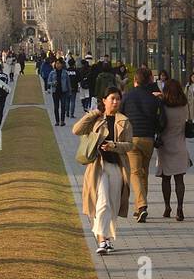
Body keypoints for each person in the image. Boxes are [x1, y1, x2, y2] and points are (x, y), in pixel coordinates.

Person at [72, 85, 132, 255]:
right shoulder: (97, 119)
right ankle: (101, 239)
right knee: (102, 202)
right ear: (104, 100)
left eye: (118, 98)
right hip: (98, 167)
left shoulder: (124, 121)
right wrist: (93, 113)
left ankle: (106, 237)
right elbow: (76, 130)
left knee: (113, 204)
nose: (115, 101)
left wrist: (114, 146)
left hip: (117, 167)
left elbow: (129, 145)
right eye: (112, 98)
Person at [119, 66, 162, 222]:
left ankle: (142, 205)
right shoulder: (153, 98)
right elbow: (159, 120)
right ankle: (139, 208)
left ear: (135, 80)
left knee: (135, 173)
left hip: (132, 138)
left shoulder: (127, 96)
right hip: (148, 139)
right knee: (144, 172)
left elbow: (121, 116)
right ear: (149, 80)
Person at [155, 76, 191, 220]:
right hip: (180, 144)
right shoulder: (184, 105)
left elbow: (159, 122)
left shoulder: (163, 106)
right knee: (179, 179)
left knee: (166, 179)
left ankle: (167, 207)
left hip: (165, 144)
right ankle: (180, 208)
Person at [47, 57, 74, 126]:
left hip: (63, 91)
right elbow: (48, 82)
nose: (58, 65)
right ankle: (57, 121)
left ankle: (62, 121)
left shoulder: (65, 72)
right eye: (56, 64)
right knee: (56, 107)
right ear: (55, 64)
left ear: (62, 64)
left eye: (59, 63)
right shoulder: (52, 73)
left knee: (63, 106)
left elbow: (68, 82)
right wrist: (53, 83)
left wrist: (70, 91)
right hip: (55, 92)